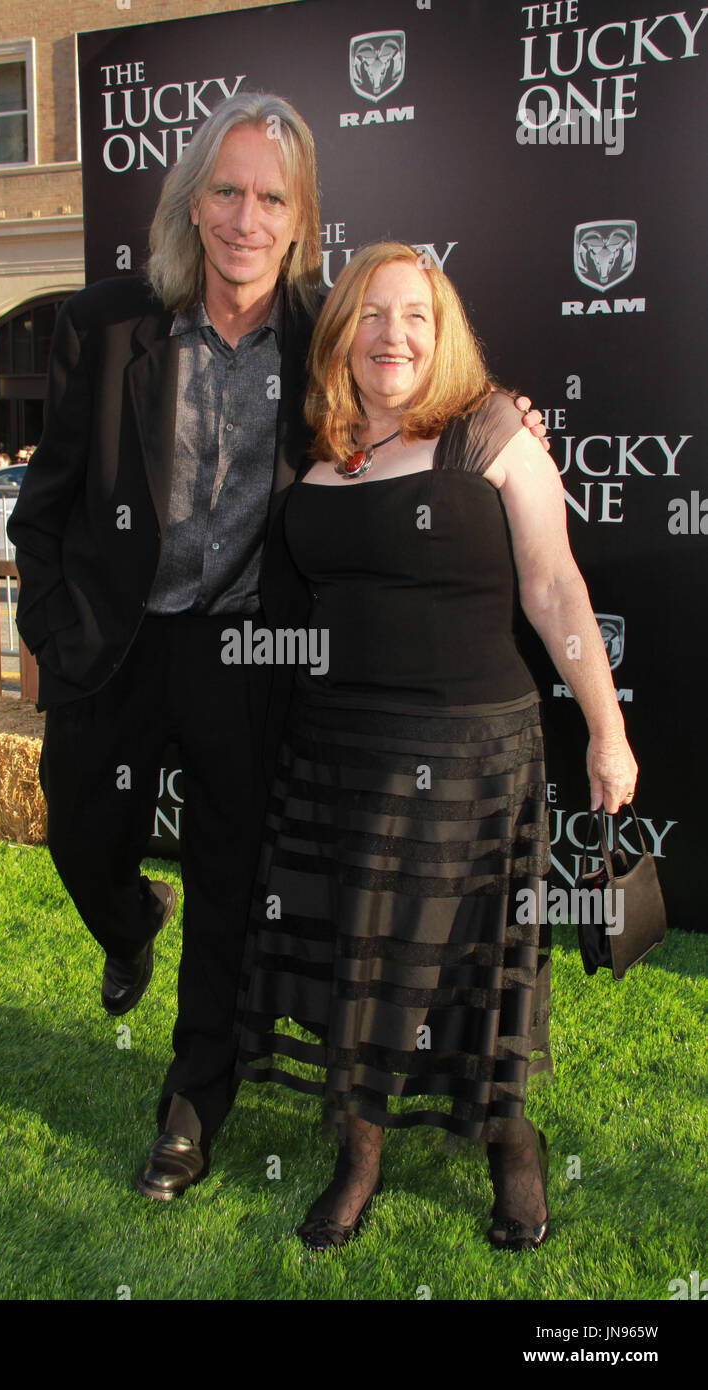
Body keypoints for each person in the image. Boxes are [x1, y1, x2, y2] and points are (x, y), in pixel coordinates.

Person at [7, 94, 547, 1204]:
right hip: (112, 644)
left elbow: (422, 394)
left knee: (225, 881)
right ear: (191, 204)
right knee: (81, 833)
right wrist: (50, 634)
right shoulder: (105, 325)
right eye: (227, 190)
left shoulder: (322, 335)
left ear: (300, 222)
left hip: (244, 652)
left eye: (271, 198)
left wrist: (501, 419)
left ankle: (191, 1106)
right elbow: (44, 507)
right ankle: (124, 920)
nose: (246, 218)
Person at [233, 242, 638, 1254]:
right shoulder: (316, 443)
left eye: (414, 314)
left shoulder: (490, 432)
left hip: (468, 754)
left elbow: (554, 588)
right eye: (369, 315)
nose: (392, 335)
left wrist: (605, 725)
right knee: (352, 963)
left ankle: (509, 1138)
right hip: (334, 750)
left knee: (467, 964)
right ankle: (358, 1154)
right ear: (340, 335)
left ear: (443, 328)